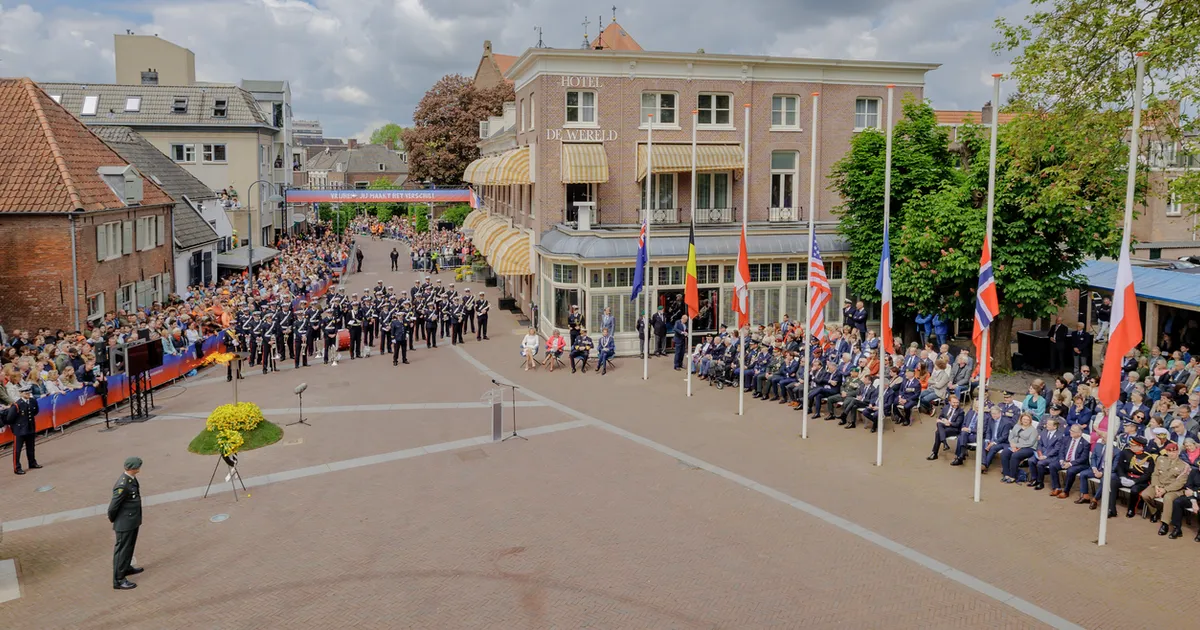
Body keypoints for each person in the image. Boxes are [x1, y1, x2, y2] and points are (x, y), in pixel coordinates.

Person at [108, 456, 144, 590]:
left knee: (129, 546)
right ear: (133, 468)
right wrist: (115, 519)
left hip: (132, 520)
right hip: (125, 522)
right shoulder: (123, 484)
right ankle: (118, 579)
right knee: (122, 550)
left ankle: (126, 567)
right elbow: (113, 507)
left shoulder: (131, 479)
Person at [1142, 441, 1191, 534]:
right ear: (1166, 452)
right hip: (1159, 484)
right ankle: (1154, 512)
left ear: (1178, 452)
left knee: (1168, 498)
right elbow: (1155, 474)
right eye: (1169, 452)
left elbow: (1180, 483)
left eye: (1174, 451)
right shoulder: (1160, 459)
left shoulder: (1184, 465)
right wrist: (1156, 486)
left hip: (1173, 489)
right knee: (1145, 495)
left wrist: (1165, 490)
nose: (1172, 454)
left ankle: (1165, 523)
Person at [1110, 436, 1155, 518]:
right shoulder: (1125, 452)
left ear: (1141, 447)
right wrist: (1122, 477)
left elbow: (1147, 475)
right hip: (1126, 476)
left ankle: (1131, 509)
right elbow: (1119, 466)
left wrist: (1135, 481)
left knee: (1135, 490)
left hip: (1139, 480)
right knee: (1112, 482)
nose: (1131, 447)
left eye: (1133, 446)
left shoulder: (1148, 458)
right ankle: (1112, 509)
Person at [1048, 423, 1090, 498]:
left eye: (1073, 431)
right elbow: (1061, 451)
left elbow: (1083, 458)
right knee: (1052, 465)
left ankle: (1066, 491)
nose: (1070, 432)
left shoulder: (1085, 443)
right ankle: (1057, 488)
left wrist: (1070, 464)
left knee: (1070, 471)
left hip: (1078, 464)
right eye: (1071, 430)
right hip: (1065, 460)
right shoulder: (1067, 439)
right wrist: (1061, 460)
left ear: (1079, 433)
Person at [9, 383, 41, 474]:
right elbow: (10, 418)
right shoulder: (17, 405)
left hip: (30, 427)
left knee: (31, 447)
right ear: (21, 393)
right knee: (17, 450)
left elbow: (35, 411)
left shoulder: (32, 401)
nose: (28, 395)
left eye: (28, 393)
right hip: (19, 430)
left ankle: (32, 462)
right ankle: (17, 467)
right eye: (26, 393)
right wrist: (15, 429)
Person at [1000, 413, 1039, 483]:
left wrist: (1017, 446)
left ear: (1030, 421)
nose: (1025, 421)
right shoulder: (1017, 426)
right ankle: (1006, 474)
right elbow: (1011, 436)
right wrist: (1012, 444)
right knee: (1005, 453)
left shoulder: (1033, 430)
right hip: (1015, 446)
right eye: (1024, 419)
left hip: (1028, 448)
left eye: (1027, 419)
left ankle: (1013, 476)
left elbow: (1030, 443)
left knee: (1015, 455)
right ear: (1021, 419)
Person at [1164, 464, 1200, 540]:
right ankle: (1177, 528)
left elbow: (1192, 491)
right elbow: (1188, 487)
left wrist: (1194, 493)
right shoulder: (1194, 472)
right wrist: (1193, 501)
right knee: (1177, 502)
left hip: (1195, 494)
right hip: (1192, 497)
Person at [927, 394, 964, 460]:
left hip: (954, 428)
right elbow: (941, 416)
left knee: (938, 433)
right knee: (939, 423)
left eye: (957, 402)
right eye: (954, 402)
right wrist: (942, 420)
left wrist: (949, 423)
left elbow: (957, 424)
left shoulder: (960, 411)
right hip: (944, 425)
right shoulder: (945, 407)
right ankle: (944, 442)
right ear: (949, 402)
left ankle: (935, 452)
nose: (956, 404)